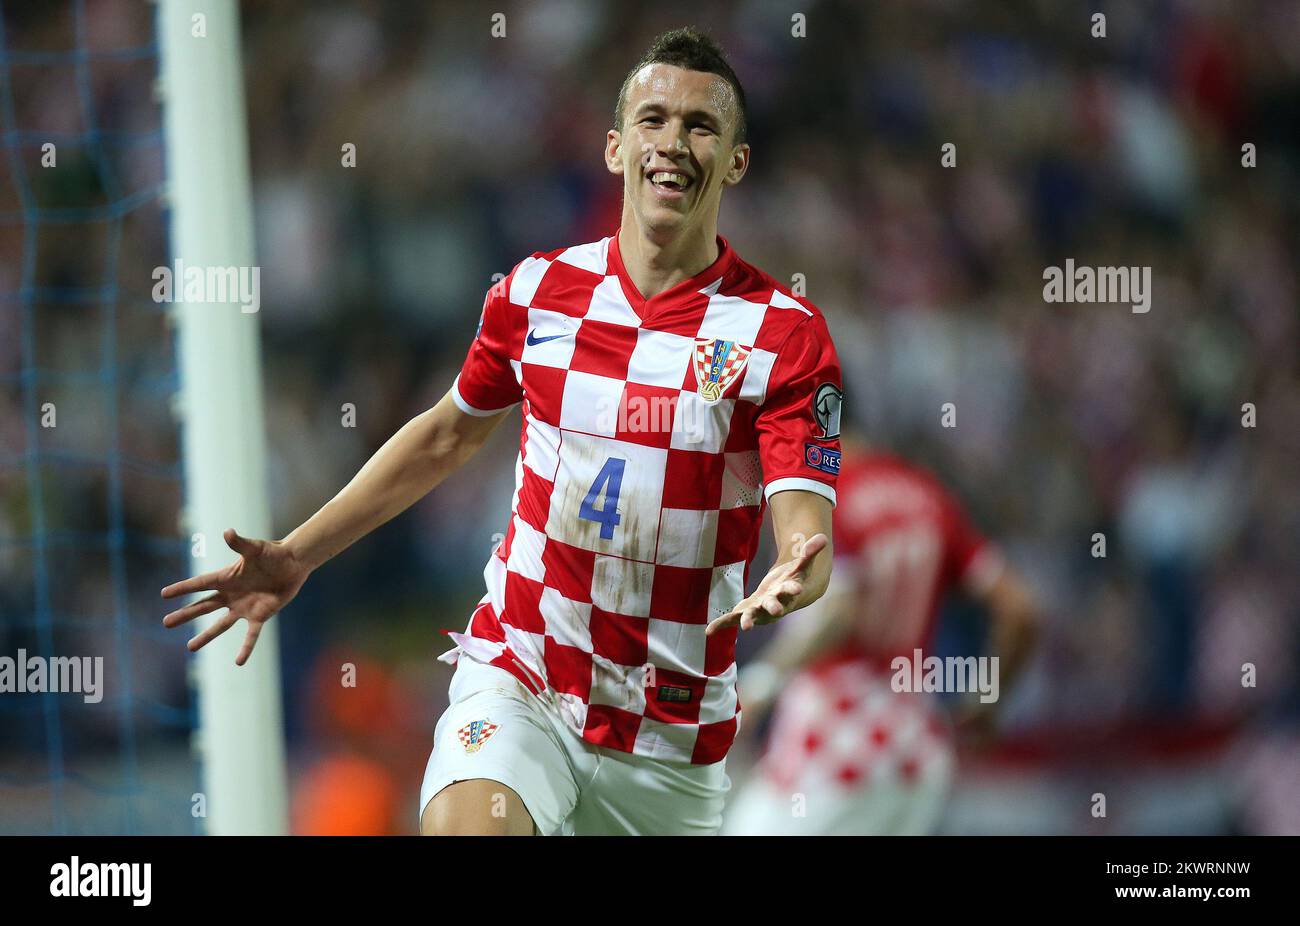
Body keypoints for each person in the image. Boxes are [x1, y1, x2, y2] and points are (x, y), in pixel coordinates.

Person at [161, 27, 845, 836]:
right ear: (615, 146)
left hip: (671, 738)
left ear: (735, 160)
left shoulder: (782, 334)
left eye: (702, 126)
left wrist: (792, 575)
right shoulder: (536, 293)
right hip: (522, 682)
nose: (673, 142)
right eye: (654, 119)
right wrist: (300, 551)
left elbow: (808, 532)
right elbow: (447, 435)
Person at [723, 433, 1040, 835]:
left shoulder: (825, 491)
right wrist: (986, 701)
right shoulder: (925, 494)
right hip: (914, 750)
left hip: (833, 740)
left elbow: (839, 610)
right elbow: (1021, 611)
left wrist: (761, 684)